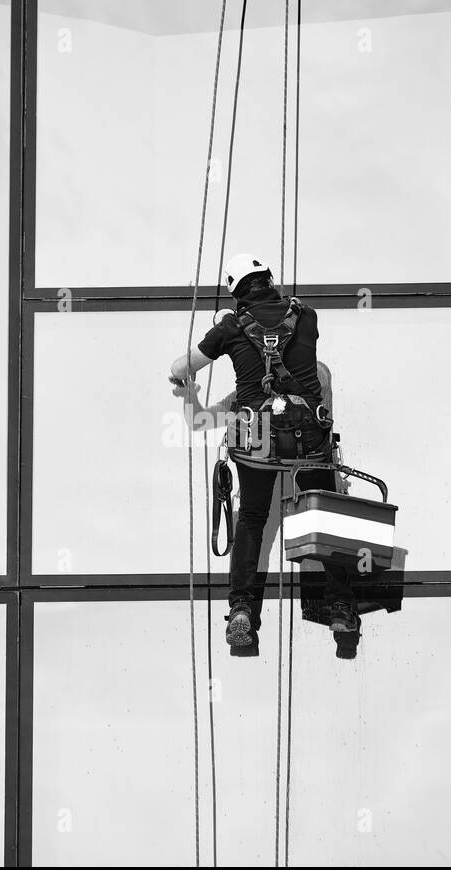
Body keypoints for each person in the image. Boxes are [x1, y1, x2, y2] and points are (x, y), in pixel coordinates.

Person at [169, 253, 359, 657]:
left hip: (257, 445)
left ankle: (241, 609)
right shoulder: (307, 317)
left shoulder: (232, 333)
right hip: (308, 442)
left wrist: (186, 387)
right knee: (325, 517)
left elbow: (195, 406)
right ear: (269, 280)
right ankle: (341, 608)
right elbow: (322, 397)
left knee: (252, 519)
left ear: (236, 292)